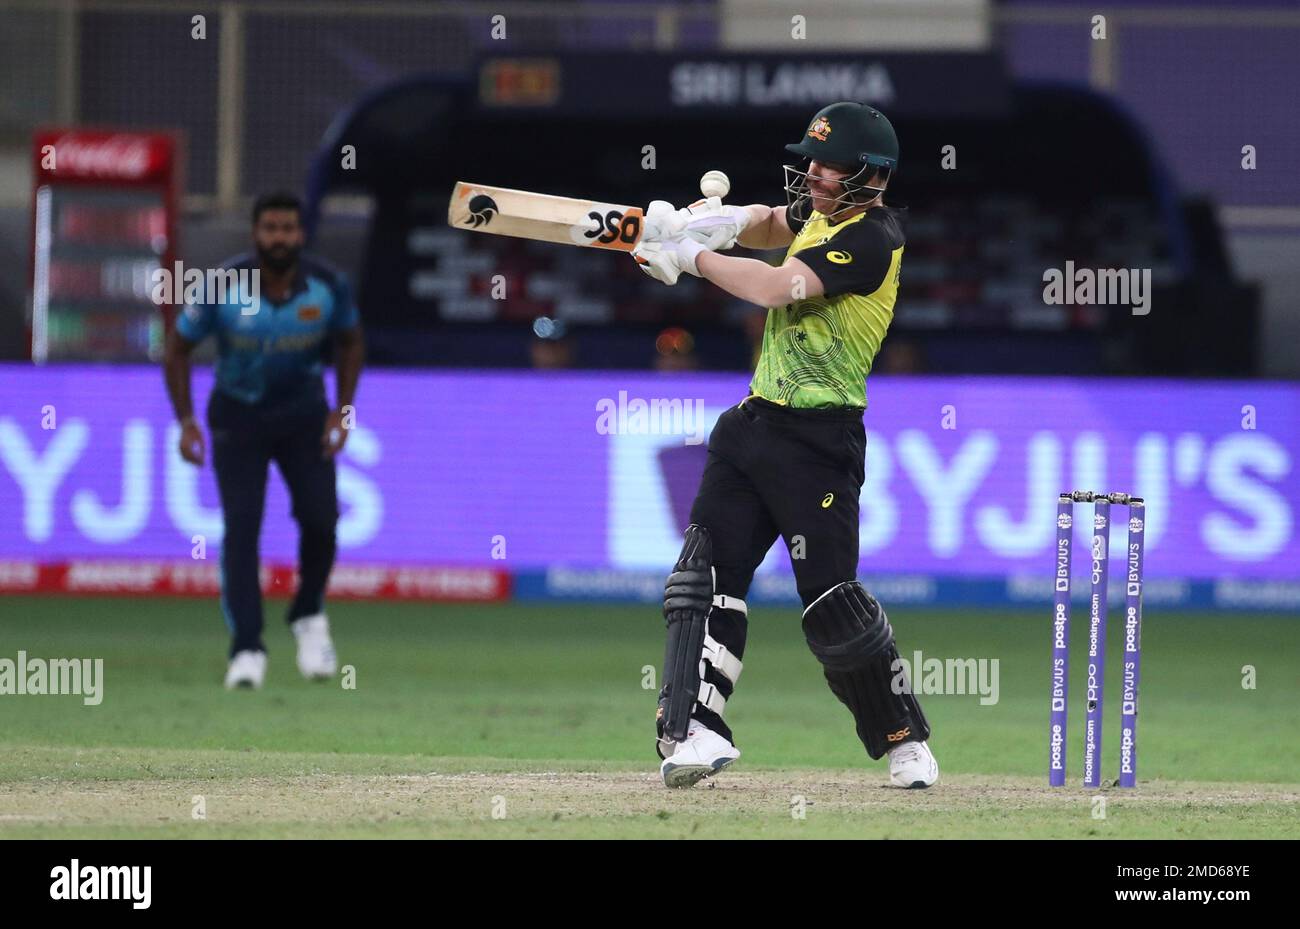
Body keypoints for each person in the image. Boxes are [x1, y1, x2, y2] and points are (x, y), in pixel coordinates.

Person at [632, 102, 938, 789]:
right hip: (752, 426)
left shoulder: (873, 239)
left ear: (870, 174)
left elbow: (774, 288)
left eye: (828, 165)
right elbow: (779, 222)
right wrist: (731, 220)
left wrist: (692, 256)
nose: (814, 174)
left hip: (820, 442)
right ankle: (694, 730)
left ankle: (903, 738)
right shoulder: (824, 210)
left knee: (831, 605)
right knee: (703, 580)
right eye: (811, 161)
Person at [163, 192, 364, 689]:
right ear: (255, 235)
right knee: (242, 528)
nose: (279, 238)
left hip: (304, 417)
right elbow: (177, 348)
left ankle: (308, 613)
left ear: (301, 234)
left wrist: (344, 409)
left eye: (288, 229)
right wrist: (186, 419)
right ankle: (247, 648)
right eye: (270, 228)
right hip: (238, 418)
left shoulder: (327, 286)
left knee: (321, 520)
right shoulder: (221, 286)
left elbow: (352, 341)